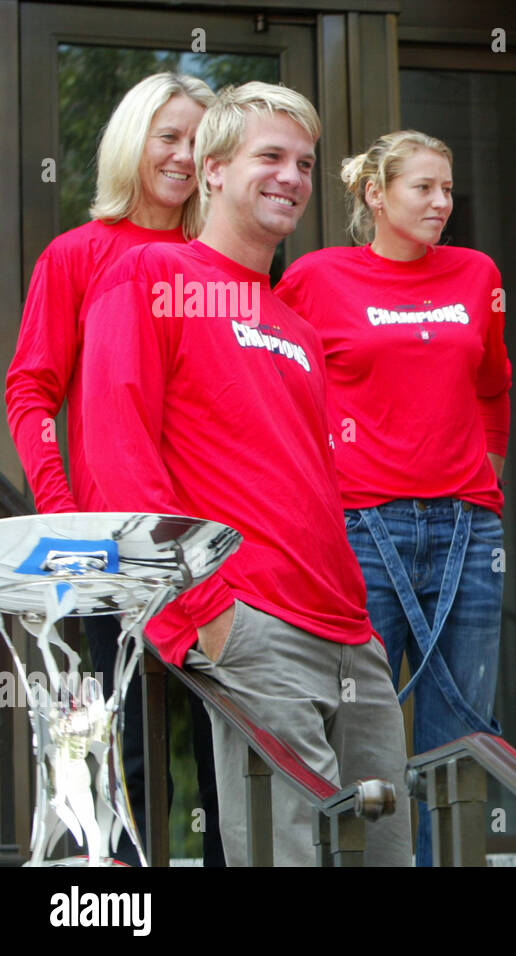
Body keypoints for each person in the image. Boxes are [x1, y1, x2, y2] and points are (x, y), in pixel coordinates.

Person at [80, 81, 413, 865]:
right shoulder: (149, 277)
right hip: (253, 623)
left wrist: (359, 616)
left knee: (383, 850)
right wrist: (198, 615)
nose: (293, 177)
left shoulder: (293, 321)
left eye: (304, 162)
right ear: (213, 170)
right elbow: (117, 450)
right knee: (285, 854)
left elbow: (311, 480)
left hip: (348, 629)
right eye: (271, 156)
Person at [5, 71, 224, 866]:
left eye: (199, 141)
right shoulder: (79, 254)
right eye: (167, 136)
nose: (182, 155)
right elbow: (31, 389)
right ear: (132, 143)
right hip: (106, 540)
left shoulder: (223, 261)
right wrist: (63, 510)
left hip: (215, 542)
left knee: (223, 750)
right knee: (115, 744)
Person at [275, 130, 509, 867]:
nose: (442, 203)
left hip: (467, 529)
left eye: (448, 189)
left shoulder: (476, 273)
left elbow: (494, 387)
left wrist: (483, 481)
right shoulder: (315, 277)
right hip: (358, 524)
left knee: (463, 730)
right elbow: (278, 390)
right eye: (423, 189)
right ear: (376, 194)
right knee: (361, 726)